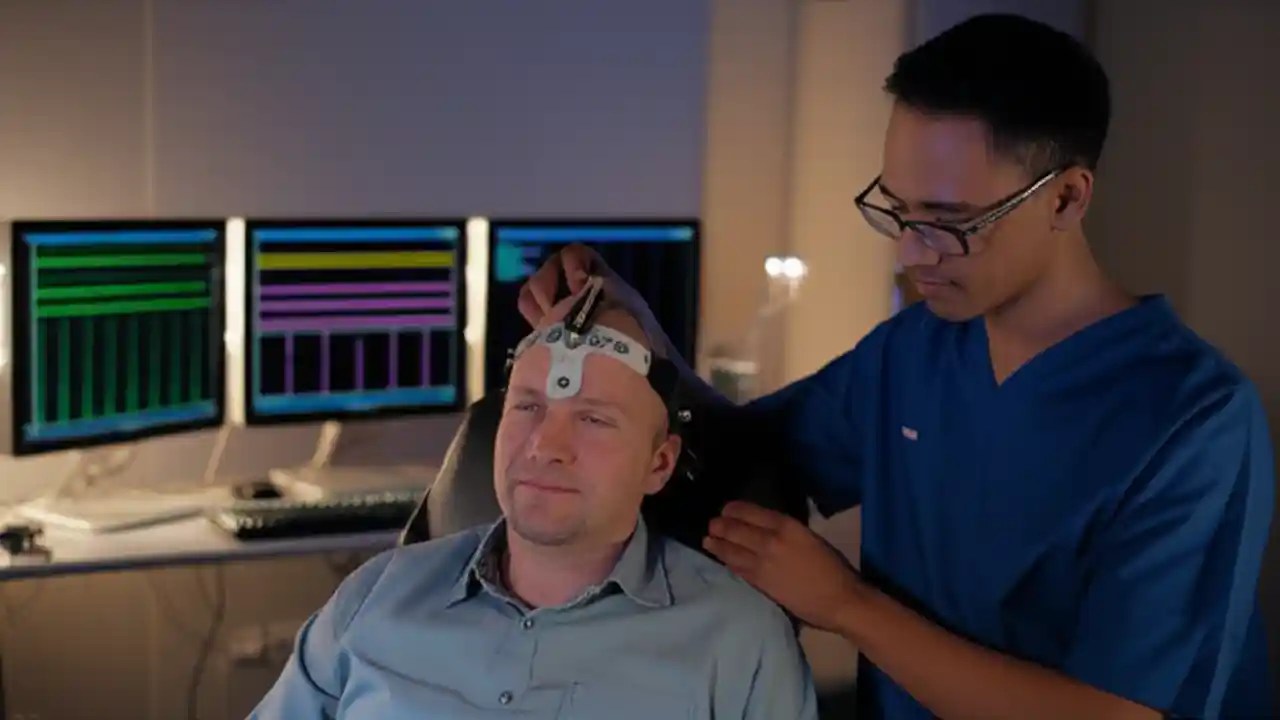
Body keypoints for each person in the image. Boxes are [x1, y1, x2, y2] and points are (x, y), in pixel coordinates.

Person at [518, 13, 1276, 720]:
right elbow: (736, 450)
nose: (911, 253)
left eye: (949, 224)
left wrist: (847, 607)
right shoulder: (914, 352)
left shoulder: (1191, 419)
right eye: (897, 210)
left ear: (1068, 198)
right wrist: (630, 333)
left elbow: (1117, 714)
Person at [249, 300, 818, 719]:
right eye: (528, 406)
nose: (546, 445)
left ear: (660, 465)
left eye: (593, 418)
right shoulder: (376, 595)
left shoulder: (740, 644)